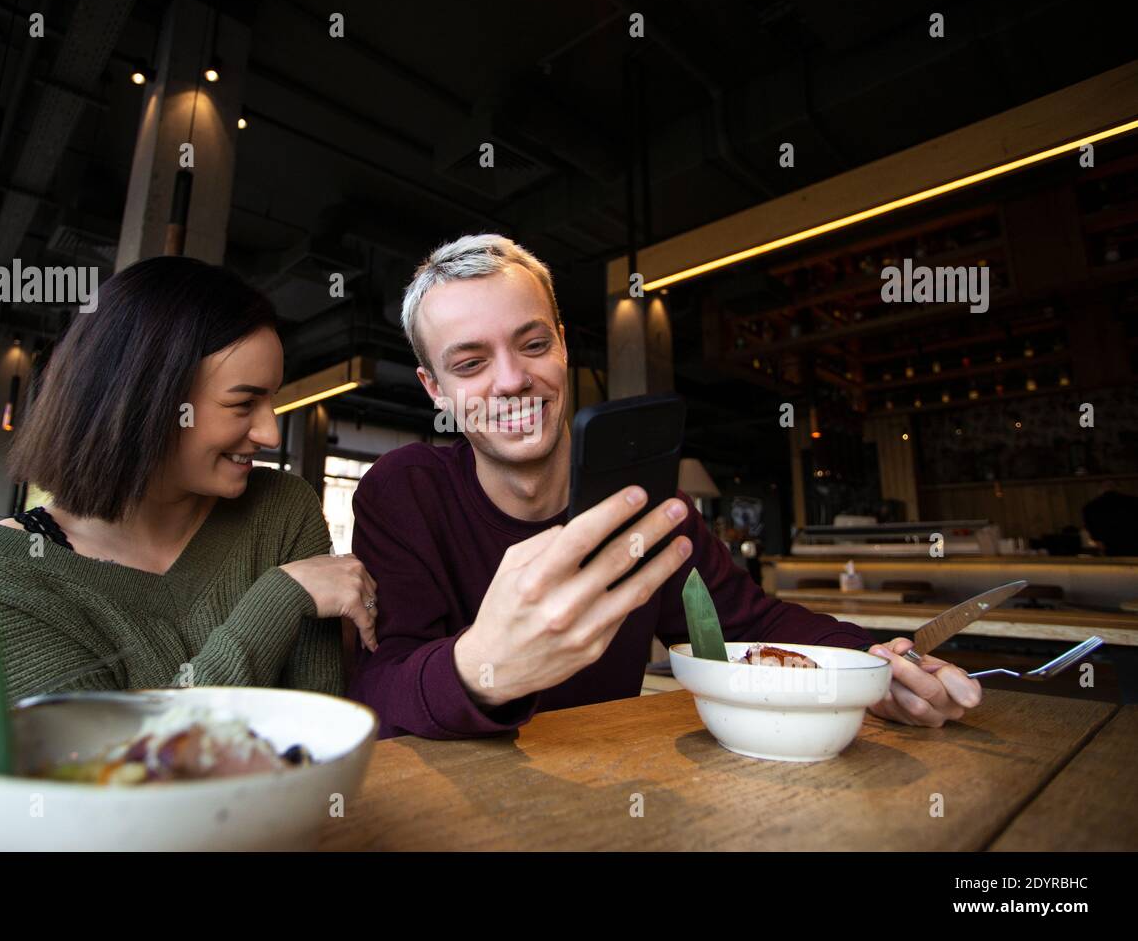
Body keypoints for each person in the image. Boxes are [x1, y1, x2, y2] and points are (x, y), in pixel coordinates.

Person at [347, 234, 983, 739]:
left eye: (533, 343)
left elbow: (745, 623)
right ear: (435, 389)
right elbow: (382, 687)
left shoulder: (642, 503)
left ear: (563, 346)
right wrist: (480, 668)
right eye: (469, 363)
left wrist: (874, 662)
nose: (512, 380)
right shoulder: (404, 492)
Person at [0, 257, 378, 704]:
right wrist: (276, 603)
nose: (269, 433)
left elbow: (317, 732)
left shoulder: (281, 509)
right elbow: (94, 769)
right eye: (243, 404)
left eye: (271, 401)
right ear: (145, 401)